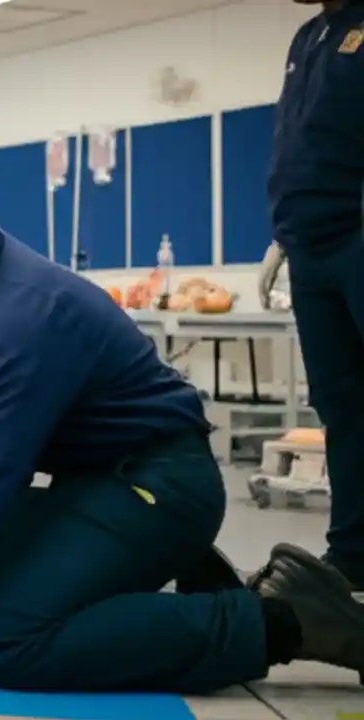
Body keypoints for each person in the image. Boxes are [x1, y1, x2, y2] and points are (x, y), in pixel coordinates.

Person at [0, 165, 364, 692]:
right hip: (96, 483)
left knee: (5, 643)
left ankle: (282, 620)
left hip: (160, 489)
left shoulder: (18, 324)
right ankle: (187, 586)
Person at [257, 0, 364, 591]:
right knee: (341, 404)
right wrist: (282, 235)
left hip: (357, 231)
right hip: (310, 243)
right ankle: (353, 553)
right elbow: (302, 142)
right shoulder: (310, 37)